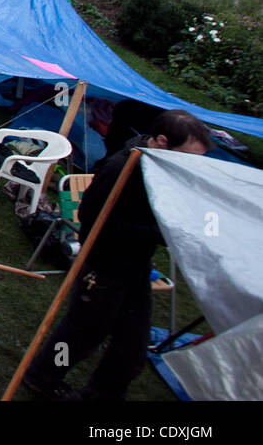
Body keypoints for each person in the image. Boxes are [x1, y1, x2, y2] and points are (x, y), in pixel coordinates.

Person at [23, 110, 211, 401]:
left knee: (132, 346)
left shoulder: (160, 167)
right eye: (187, 156)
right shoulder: (120, 168)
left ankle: (104, 393)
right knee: (80, 335)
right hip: (104, 266)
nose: (191, 165)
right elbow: (91, 218)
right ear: (161, 141)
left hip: (135, 267)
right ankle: (42, 375)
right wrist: (156, 232)